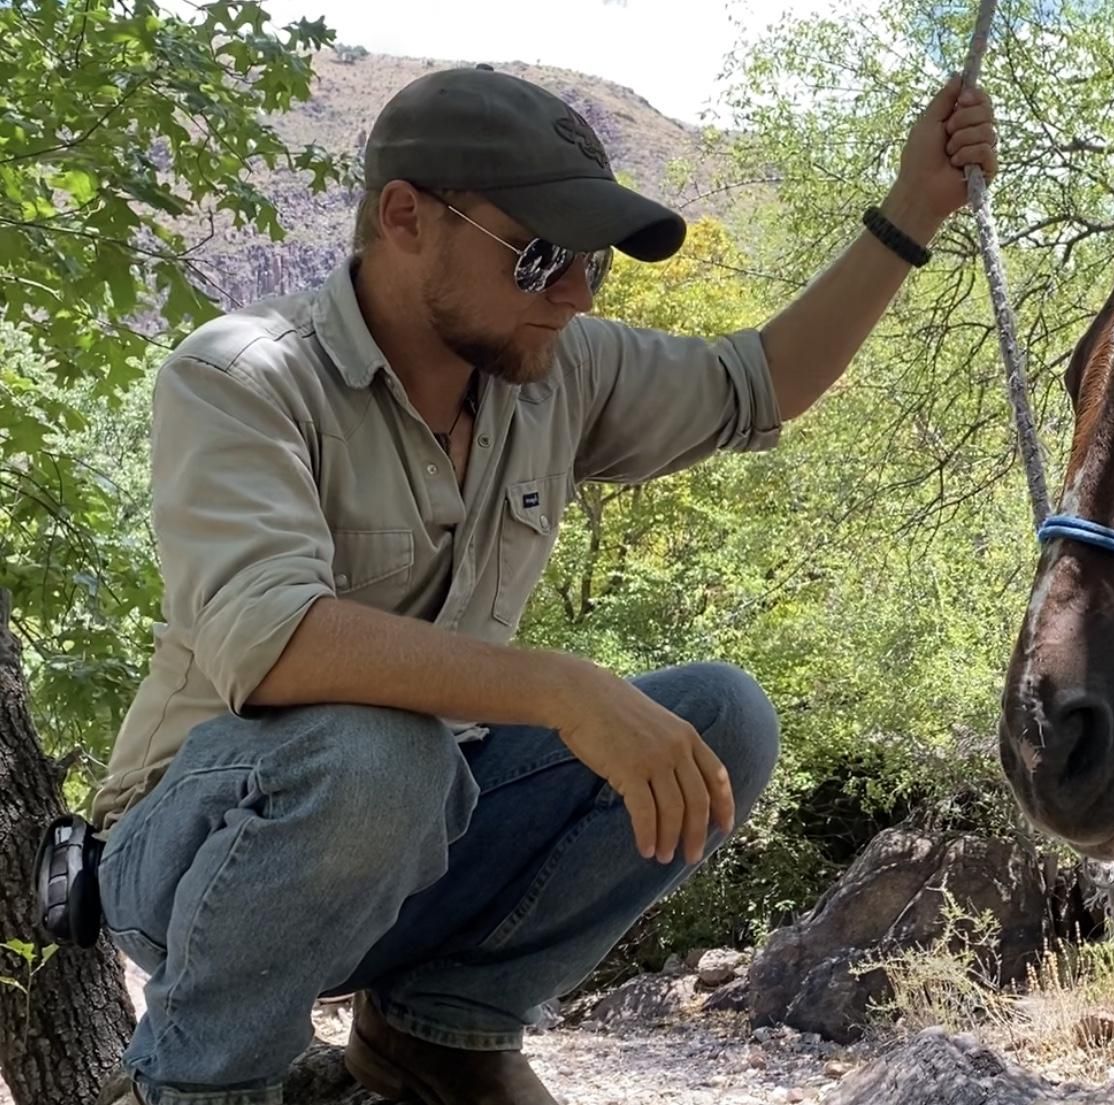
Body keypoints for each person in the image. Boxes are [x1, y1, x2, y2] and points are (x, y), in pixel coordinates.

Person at [84, 63, 996, 1105]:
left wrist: (912, 209)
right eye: (538, 256)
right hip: (197, 856)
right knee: (384, 752)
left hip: (420, 834)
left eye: (589, 267)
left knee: (717, 719)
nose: (571, 295)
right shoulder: (241, 373)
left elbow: (764, 382)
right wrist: (564, 688)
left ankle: (443, 1036)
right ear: (404, 217)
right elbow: (272, 636)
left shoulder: (554, 369)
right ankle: (200, 1081)